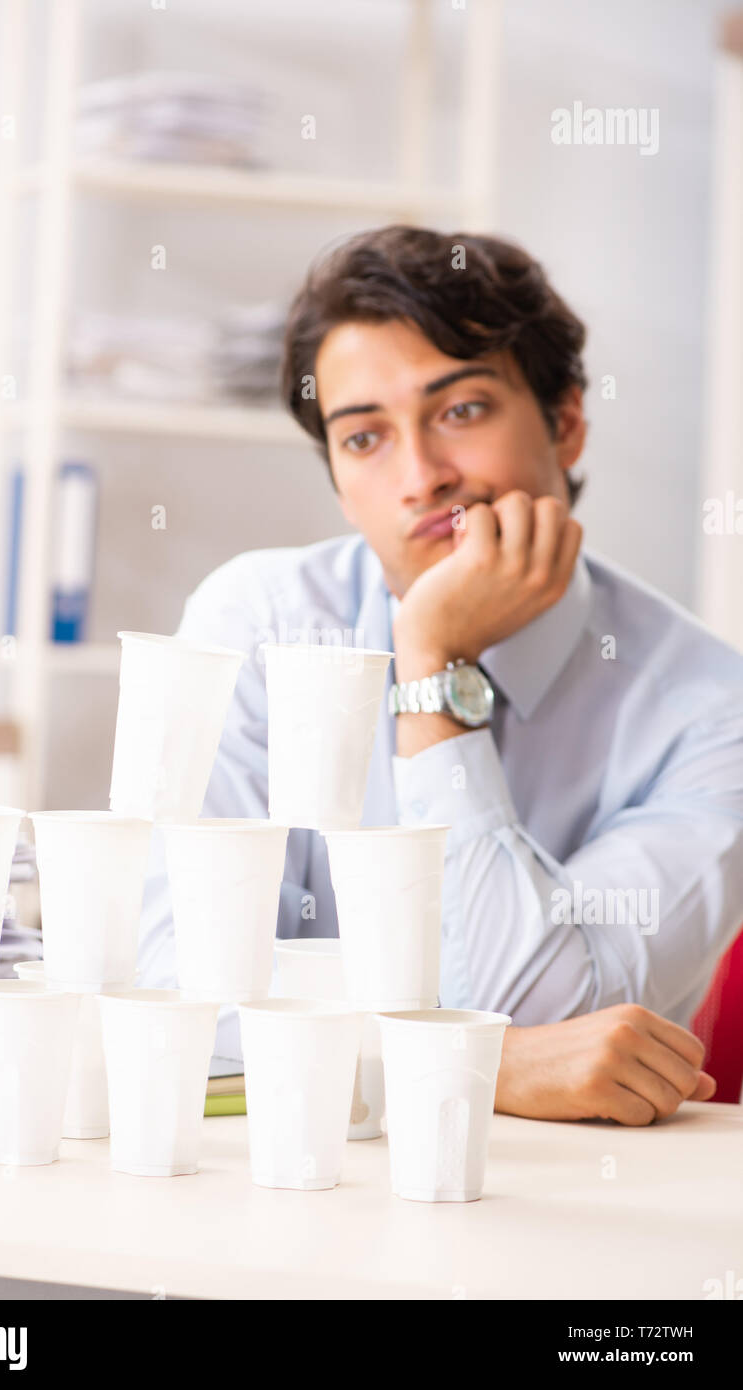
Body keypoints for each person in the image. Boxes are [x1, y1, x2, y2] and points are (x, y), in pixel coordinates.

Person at [138, 226, 743, 1125]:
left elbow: (557, 1023)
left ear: (565, 422)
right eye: (365, 438)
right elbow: (176, 1002)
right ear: (339, 481)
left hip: (578, 1209)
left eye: (460, 410)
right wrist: (481, 1070)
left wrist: (430, 670)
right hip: (273, 1179)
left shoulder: (709, 707)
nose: (420, 477)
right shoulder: (258, 624)